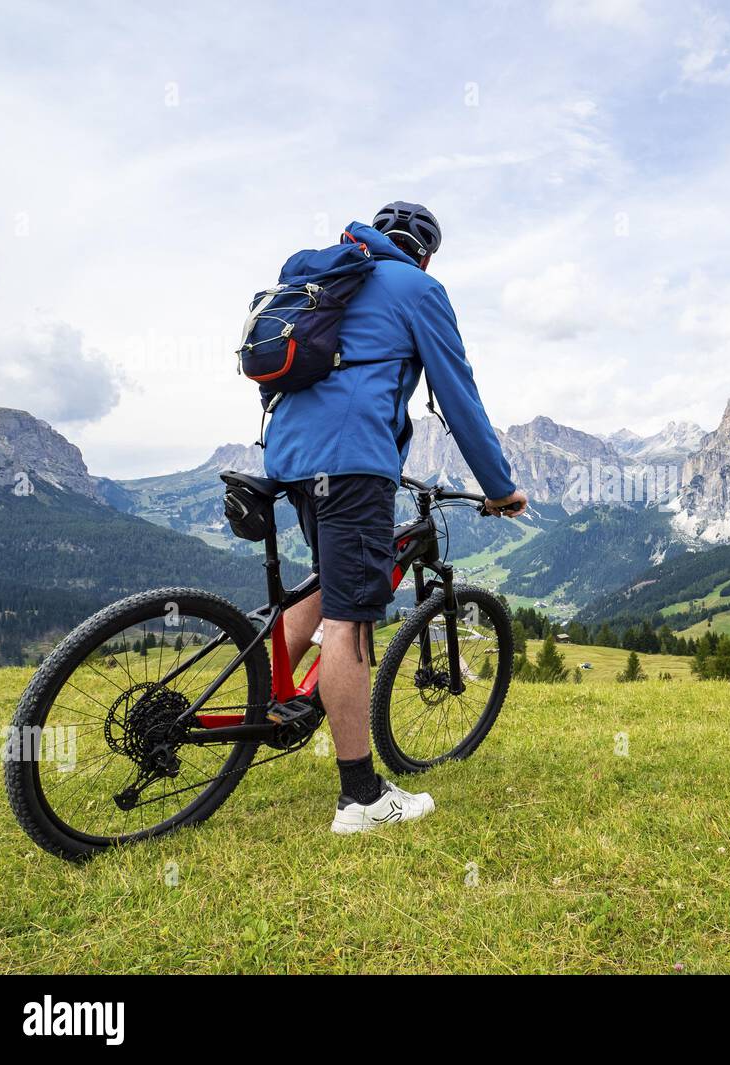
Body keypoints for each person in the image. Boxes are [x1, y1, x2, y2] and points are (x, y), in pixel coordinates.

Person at [261, 200, 527, 834]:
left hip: (290, 456)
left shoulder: (326, 278)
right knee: (353, 618)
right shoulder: (418, 287)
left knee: (333, 585)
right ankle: (361, 797)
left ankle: (273, 699)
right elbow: (457, 394)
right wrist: (500, 487)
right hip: (352, 463)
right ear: (426, 252)